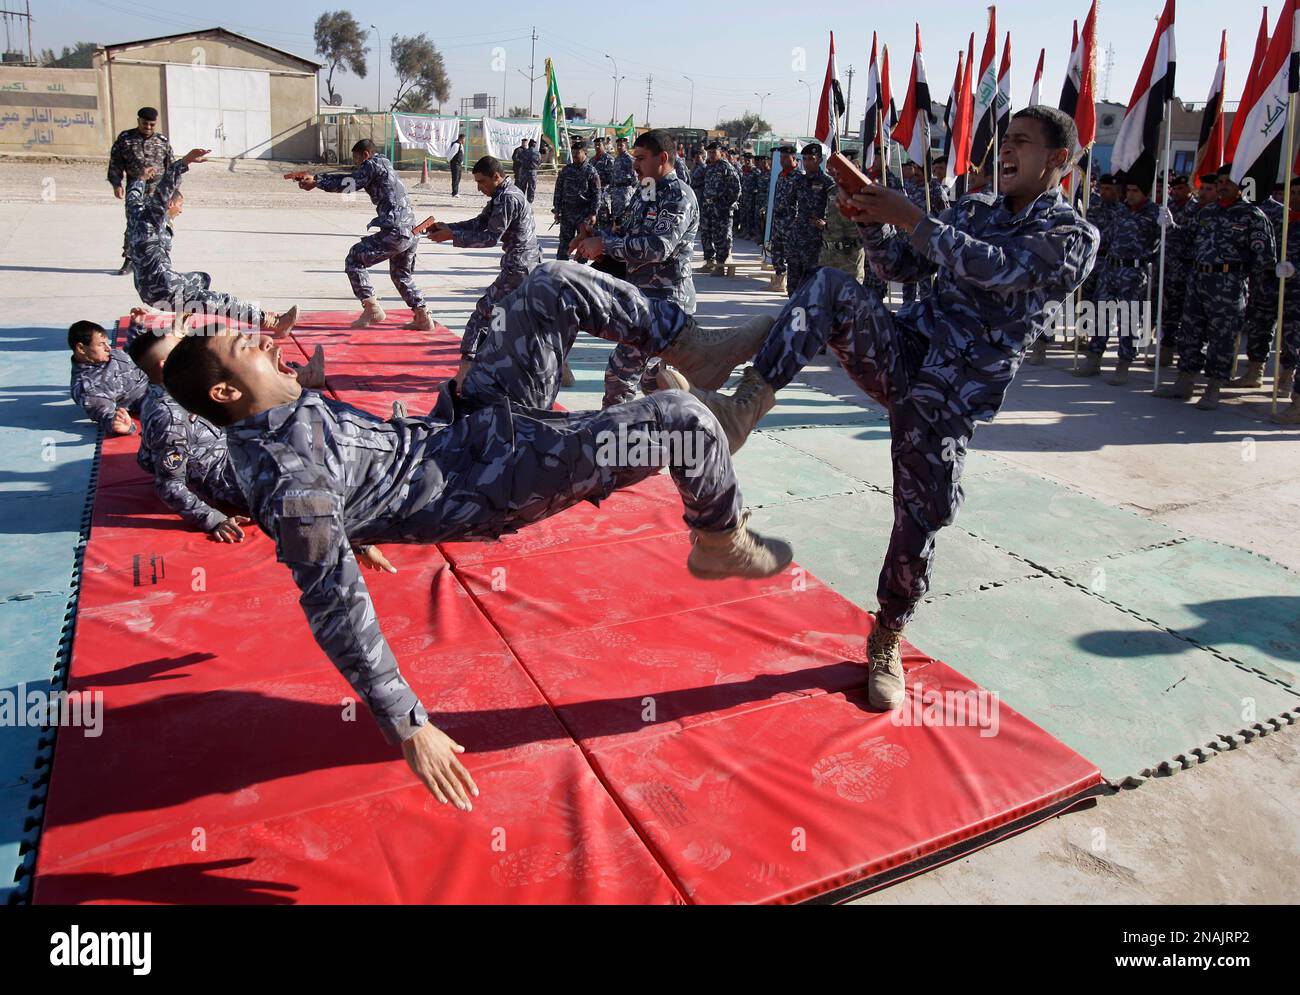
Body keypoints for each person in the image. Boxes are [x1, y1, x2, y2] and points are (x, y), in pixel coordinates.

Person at [161, 260, 794, 808]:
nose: (270, 345)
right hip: (491, 482)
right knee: (680, 421)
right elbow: (333, 604)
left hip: (461, 428)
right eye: (251, 351)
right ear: (226, 390)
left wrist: (356, 525)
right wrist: (408, 725)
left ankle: (691, 346)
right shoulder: (289, 481)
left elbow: (348, 478)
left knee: (550, 285)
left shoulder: (279, 407)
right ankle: (718, 538)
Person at [661, 106, 1099, 711]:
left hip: (950, 394)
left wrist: (911, 216)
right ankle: (742, 403)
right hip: (904, 351)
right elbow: (899, 265)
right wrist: (870, 221)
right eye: (1005, 140)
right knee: (833, 286)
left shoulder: (1072, 235)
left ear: (1057, 159)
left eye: (1021, 142)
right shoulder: (972, 208)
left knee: (921, 515)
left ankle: (887, 634)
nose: (1005, 151)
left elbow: (997, 269)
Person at [569, 129, 718, 406]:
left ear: (662, 158)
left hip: (667, 305)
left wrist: (604, 244)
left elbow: (658, 247)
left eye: (640, 158)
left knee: (619, 376)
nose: (633, 165)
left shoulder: (679, 196)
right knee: (653, 382)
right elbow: (625, 232)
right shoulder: (647, 190)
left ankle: (617, 439)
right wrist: (593, 236)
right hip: (642, 300)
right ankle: (685, 423)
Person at [127, 151, 297, 334]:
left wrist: (140, 178)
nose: (181, 210)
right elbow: (164, 189)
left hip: (146, 287)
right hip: (165, 288)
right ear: (169, 204)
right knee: (221, 301)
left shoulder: (136, 213)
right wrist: (183, 162)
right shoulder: (153, 219)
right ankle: (274, 323)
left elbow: (132, 195)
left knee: (201, 279)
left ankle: (179, 324)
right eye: (180, 205)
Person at [414, 155, 541, 386]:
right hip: (524, 265)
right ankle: (559, 369)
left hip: (519, 268)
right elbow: (480, 222)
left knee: (482, 313)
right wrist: (448, 227)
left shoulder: (507, 198)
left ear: (496, 176)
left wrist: (452, 237)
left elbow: (490, 238)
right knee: (517, 319)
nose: (479, 188)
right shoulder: (502, 194)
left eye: (482, 182)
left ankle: (464, 376)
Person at [1156, 163, 1275, 410]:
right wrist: (1170, 227)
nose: (1222, 186)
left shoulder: (1252, 216)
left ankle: (1213, 388)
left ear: (1240, 186)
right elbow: (1186, 239)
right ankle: (1184, 381)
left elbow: (1263, 258)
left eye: (1227, 183)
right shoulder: (1207, 212)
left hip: (1228, 285)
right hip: (1198, 279)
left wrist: (1256, 288)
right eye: (1219, 182)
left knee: (1222, 337)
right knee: (1190, 332)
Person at [287, 139, 432, 331]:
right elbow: (352, 177)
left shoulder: (371, 165)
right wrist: (316, 179)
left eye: (357, 159)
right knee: (401, 275)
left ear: (365, 154)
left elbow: (350, 184)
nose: (357, 163)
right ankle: (422, 316)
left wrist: (317, 182)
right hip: (411, 230)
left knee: (354, 259)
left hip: (396, 231)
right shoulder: (383, 163)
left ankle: (372, 309)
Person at [1077, 169, 1170, 384]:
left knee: (1128, 319)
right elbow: (1107, 236)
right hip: (1111, 268)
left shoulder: (1155, 213)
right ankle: (1094, 360)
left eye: (1135, 191)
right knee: (1101, 314)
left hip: (1135, 272)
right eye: (1128, 190)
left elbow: (1165, 245)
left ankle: (1123, 364)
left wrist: (1170, 227)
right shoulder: (1121, 211)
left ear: (1145, 193)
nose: (1130, 194)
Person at [107, 106, 173, 276]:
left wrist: (174, 192)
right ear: (138, 121)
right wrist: (116, 183)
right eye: (145, 123)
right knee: (133, 224)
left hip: (158, 193)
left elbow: (170, 167)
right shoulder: (126, 139)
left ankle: (160, 262)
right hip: (136, 190)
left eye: (152, 124)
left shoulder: (162, 141)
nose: (148, 127)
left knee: (161, 226)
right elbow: (116, 162)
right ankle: (129, 260)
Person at [68, 320, 150, 436]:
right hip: (153, 394)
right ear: (81, 348)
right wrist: (122, 426)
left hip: (159, 372)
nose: (109, 349)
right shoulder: (89, 387)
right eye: (101, 344)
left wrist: (136, 326)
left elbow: (132, 354)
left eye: (107, 343)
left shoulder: (104, 356)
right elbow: (105, 414)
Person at [784, 143, 836, 297]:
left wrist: (825, 223)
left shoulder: (828, 182)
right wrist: (791, 222)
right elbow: (789, 203)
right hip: (797, 235)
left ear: (819, 160)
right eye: (804, 159)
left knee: (812, 277)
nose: (807, 162)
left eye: (811, 159)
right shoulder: (799, 180)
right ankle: (792, 306)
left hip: (815, 239)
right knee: (793, 275)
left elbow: (835, 210)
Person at [819, 149, 866, 284]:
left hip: (850, 255)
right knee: (827, 294)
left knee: (850, 296)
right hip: (829, 254)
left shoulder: (863, 192)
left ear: (856, 167)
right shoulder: (832, 190)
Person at [552, 137, 601, 261]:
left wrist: (593, 213)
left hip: (583, 214)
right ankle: (561, 266)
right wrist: (557, 210)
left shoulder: (591, 171)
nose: (574, 156)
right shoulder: (566, 170)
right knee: (564, 242)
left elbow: (596, 194)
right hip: (567, 212)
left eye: (577, 153)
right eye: (573, 153)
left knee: (582, 243)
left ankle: (580, 269)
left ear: (585, 153)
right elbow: (558, 191)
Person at [698, 141, 741, 275]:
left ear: (721, 153)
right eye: (709, 152)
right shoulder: (709, 167)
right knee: (706, 234)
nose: (710, 155)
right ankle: (709, 261)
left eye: (713, 152)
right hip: (708, 206)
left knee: (721, 236)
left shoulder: (726, 167)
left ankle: (720, 265)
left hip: (721, 208)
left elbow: (736, 189)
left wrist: (725, 205)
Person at [768, 146, 800, 293]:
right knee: (777, 251)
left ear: (794, 158)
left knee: (791, 253)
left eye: (786, 157)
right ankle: (779, 280)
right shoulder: (782, 175)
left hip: (791, 222)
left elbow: (802, 201)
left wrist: (795, 220)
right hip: (778, 221)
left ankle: (793, 284)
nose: (782, 160)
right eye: (781, 157)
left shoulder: (799, 177)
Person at [610, 136, 638, 220]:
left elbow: (635, 177)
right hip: (616, 190)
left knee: (624, 214)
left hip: (625, 190)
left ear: (625, 146)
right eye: (617, 145)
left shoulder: (629, 159)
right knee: (616, 215)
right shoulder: (617, 158)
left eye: (621, 145)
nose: (618, 147)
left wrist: (631, 190)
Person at [448, 132, 466, 196]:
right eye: (464, 139)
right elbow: (451, 154)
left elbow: (461, 155)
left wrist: (461, 163)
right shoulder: (456, 145)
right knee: (455, 178)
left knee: (458, 178)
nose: (465, 141)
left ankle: (456, 191)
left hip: (459, 164)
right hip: (455, 164)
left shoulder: (461, 145)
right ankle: (455, 193)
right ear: (461, 139)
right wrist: (449, 160)